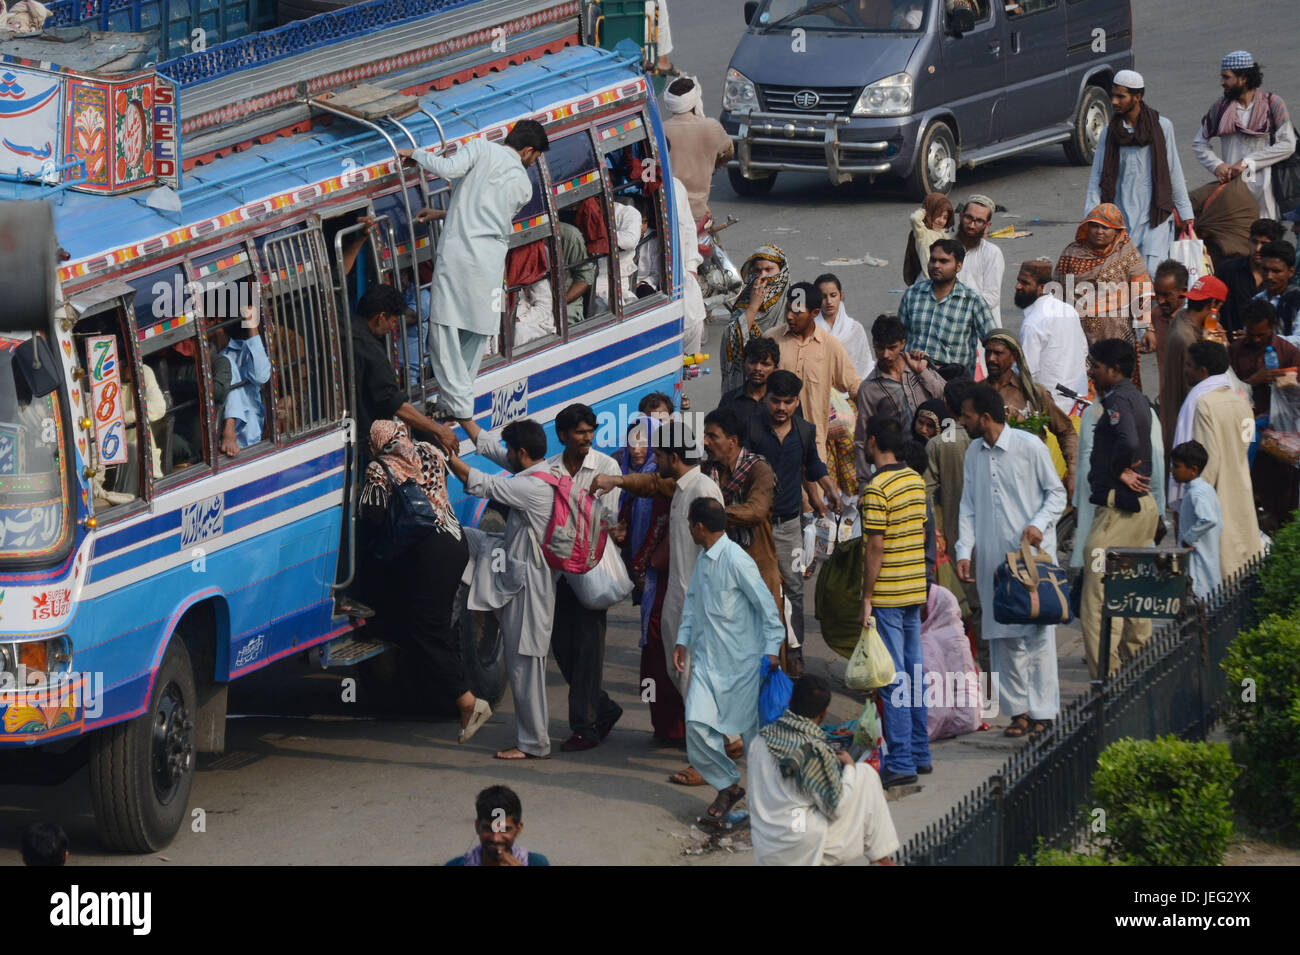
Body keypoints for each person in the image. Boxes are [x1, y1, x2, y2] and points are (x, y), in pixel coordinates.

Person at [397, 120, 549, 421]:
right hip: (490, 262)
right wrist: (444, 213)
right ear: (528, 150)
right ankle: (457, 398)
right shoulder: (523, 187)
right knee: (477, 331)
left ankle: (458, 402)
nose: (535, 161)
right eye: (537, 156)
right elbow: (487, 214)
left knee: (443, 325)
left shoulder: (481, 148)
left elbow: (448, 169)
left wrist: (417, 154)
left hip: (459, 256)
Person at [359, 420, 490, 743]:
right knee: (433, 624)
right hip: (454, 542)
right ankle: (444, 691)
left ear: (377, 442)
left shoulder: (380, 467)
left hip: (427, 553)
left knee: (427, 630)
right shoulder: (430, 450)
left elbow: (373, 518)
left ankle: (468, 702)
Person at [955, 384, 1066, 738]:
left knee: (1036, 634)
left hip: (1029, 559)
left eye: (966, 416)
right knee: (1002, 636)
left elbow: (1057, 492)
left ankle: (1044, 712)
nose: (962, 421)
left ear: (985, 418)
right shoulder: (973, 452)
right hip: (991, 558)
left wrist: (1037, 523)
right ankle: (1018, 711)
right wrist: (963, 551)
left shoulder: (1029, 446)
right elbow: (968, 505)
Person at [593, 422, 724, 718]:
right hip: (679, 595)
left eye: (660, 456)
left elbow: (715, 551)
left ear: (674, 457)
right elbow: (651, 485)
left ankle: (716, 745)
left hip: (696, 598)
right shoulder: (682, 488)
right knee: (677, 669)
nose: (656, 461)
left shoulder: (702, 490)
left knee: (692, 673)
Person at [448, 417, 558, 760]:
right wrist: (464, 420)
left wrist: (440, 455)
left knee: (524, 664)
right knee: (466, 535)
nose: (506, 455)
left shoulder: (532, 488)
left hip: (529, 584)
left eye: (511, 450)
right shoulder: (543, 470)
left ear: (522, 452)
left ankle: (534, 743)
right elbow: (493, 452)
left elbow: (480, 482)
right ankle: (532, 739)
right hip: (514, 567)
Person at [674, 497, 786, 828]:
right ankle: (727, 785)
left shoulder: (737, 561)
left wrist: (771, 650)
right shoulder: (704, 560)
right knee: (696, 726)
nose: (690, 530)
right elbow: (693, 602)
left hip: (744, 668)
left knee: (755, 746)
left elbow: (769, 608)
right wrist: (683, 640)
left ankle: (769, 810)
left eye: (690, 525)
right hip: (708, 665)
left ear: (699, 527)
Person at [744, 370, 841, 675]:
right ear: (766, 399)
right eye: (776, 401)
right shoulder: (751, 430)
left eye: (788, 402)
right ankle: (758, 651)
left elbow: (812, 464)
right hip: (756, 528)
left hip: (789, 526)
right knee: (757, 589)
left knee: (794, 590)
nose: (782, 408)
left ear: (797, 402)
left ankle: (795, 650)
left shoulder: (805, 431)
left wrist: (827, 490)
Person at [749, 675, 900, 866]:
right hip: (801, 844)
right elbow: (836, 808)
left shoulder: (760, 740)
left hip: (766, 845)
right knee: (863, 774)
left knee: (862, 776)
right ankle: (881, 858)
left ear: (790, 702)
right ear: (824, 712)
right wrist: (850, 770)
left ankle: (881, 858)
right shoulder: (813, 750)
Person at [547, 404, 624, 753]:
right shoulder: (549, 471)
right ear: (563, 435)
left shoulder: (607, 468)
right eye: (580, 432)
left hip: (592, 573)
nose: (587, 438)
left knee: (589, 653)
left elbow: (608, 518)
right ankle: (604, 708)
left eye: (590, 432)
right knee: (563, 650)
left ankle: (585, 727)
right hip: (559, 576)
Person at [859, 415, 931, 788]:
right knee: (914, 673)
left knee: (893, 679)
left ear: (873, 442)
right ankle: (920, 752)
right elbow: (919, 533)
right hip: (915, 590)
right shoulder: (915, 481)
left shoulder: (876, 488)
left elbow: (875, 545)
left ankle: (901, 760)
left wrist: (867, 597)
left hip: (888, 594)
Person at [1079, 338, 1158, 679]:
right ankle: (1136, 665)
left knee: (1097, 602)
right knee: (1133, 590)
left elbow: (1127, 441)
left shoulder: (1118, 400)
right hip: (1140, 509)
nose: (1090, 373)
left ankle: (1106, 679)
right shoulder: (1135, 396)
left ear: (1114, 370)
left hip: (1118, 512)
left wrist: (1117, 471)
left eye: (1095, 366)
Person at [614, 416, 686, 745]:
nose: (647, 454)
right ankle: (664, 727)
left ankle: (681, 731)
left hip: (671, 580)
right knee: (654, 656)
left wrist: (648, 563)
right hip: (655, 580)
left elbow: (668, 530)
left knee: (668, 655)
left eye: (656, 451)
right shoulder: (652, 479)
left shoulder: (680, 487)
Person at [1086, 70, 1195, 273]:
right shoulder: (1110, 133)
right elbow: (1097, 179)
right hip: (1121, 217)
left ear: (1137, 97)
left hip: (1156, 216)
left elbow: (1173, 170)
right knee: (1125, 277)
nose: (1114, 102)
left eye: (1121, 96)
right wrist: (1091, 217)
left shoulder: (1162, 127)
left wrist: (1185, 211)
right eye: (1113, 96)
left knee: (1154, 273)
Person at [1175, 341, 1262, 578]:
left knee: (1217, 570)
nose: (1185, 370)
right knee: (1241, 559)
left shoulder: (1204, 403)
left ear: (1202, 371)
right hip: (1241, 483)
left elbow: (1207, 459)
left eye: (1189, 365)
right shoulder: (1242, 400)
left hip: (1217, 491)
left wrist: (1195, 498)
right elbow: (1246, 442)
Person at [1053, 203, 1154, 382]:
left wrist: (1148, 328)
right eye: (1095, 226)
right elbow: (1057, 291)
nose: (1099, 231)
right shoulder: (1072, 253)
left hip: (1117, 331)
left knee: (1117, 378)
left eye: (1106, 227)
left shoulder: (1127, 254)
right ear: (1086, 227)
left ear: (1117, 231)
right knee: (1083, 381)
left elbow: (1142, 291)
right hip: (1080, 331)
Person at [765, 282, 861, 466]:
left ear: (814, 313)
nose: (789, 317)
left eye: (797, 312)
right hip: (773, 444)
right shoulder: (771, 340)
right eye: (787, 310)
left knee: (814, 495)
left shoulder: (830, 346)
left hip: (813, 448)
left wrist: (864, 427)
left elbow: (855, 387)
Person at [1193, 52, 1296, 219]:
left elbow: (1288, 144)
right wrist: (1217, 165)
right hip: (1234, 188)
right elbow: (1199, 143)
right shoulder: (1220, 108)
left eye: (1226, 77)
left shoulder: (1272, 104)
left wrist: (1248, 162)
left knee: (1266, 238)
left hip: (1266, 188)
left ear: (1243, 78)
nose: (1222, 83)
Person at [701, 408, 781, 616]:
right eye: (705, 435)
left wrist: (712, 515)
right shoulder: (707, 471)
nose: (705, 442)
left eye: (712, 436)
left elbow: (756, 510)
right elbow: (664, 484)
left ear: (733, 441)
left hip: (756, 569)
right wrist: (620, 480)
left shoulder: (759, 470)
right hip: (721, 571)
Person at [981, 329, 1078, 498]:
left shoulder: (1033, 393)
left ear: (1014, 357)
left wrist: (1073, 472)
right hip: (989, 484)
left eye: (998, 353)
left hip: (1031, 484)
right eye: (988, 352)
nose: (991, 358)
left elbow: (1066, 431)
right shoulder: (977, 394)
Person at [855, 314, 946, 485]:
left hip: (936, 456)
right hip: (901, 467)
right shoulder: (869, 388)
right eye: (880, 348)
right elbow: (862, 438)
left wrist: (922, 372)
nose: (885, 354)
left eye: (892, 347)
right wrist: (864, 483)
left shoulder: (919, 365)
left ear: (903, 343)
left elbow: (945, 396)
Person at [897, 238, 997, 373]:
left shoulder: (973, 301)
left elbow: (994, 341)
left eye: (944, 261)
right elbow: (898, 338)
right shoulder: (912, 294)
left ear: (958, 266)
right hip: (913, 377)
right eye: (933, 260)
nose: (936, 265)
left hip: (953, 382)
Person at [1159, 275, 1228, 457]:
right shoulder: (1188, 339)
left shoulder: (1182, 317)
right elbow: (1200, 383)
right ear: (1213, 304)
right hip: (1185, 411)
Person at [1016, 260, 1088, 412]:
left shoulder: (1033, 323)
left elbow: (1027, 372)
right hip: (1078, 403)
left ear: (1042, 288)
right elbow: (1084, 350)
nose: (1018, 286)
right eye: (1018, 281)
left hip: (1052, 410)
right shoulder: (1068, 310)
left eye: (1025, 283)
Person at [661, 76, 734, 222]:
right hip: (697, 213)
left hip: (666, 212)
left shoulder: (660, 130)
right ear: (696, 102)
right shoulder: (712, 127)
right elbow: (728, 152)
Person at [722, 245, 791, 392]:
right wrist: (753, 306)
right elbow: (731, 337)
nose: (762, 276)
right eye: (758, 271)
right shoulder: (746, 299)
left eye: (768, 270)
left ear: (782, 270)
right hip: (753, 377)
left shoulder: (792, 298)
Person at [445, 785, 550, 866]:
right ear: (477, 827)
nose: (496, 838)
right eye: (488, 829)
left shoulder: (535, 862)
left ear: (518, 829)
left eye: (504, 829)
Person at [1228, 299, 1300, 417]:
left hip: (1280, 423)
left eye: (1261, 335)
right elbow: (1228, 394)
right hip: (1243, 419)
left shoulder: (1288, 352)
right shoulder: (1235, 351)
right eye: (1251, 334)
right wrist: (1253, 381)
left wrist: (1284, 380)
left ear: (1273, 326)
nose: (1256, 339)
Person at [218, 302, 272, 457]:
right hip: (235, 444)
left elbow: (261, 375)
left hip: (257, 433)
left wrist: (252, 328)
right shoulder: (223, 357)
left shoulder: (251, 347)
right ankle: (230, 430)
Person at [1171, 441, 1223, 599]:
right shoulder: (1204, 490)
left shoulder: (1198, 493)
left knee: (1201, 593)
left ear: (1193, 469)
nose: (1172, 471)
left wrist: (1188, 538)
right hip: (1205, 551)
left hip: (1198, 555)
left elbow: (1209, 519)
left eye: (1177, 466)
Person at [1219, 219, 1287, 334]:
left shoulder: (1283, 280)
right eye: (1255, 242)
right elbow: (1213, 305)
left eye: (1264, 244)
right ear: (1248, 241)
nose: (1258, 249)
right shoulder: (1228, 270)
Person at [953, 194, 1005, 322]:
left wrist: (958, 310)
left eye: (979, 221)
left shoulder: (992, 253)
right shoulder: (945, 247)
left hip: (981, 328)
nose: (971, 225)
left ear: (987, 225)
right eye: (968, 218)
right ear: (960, 216)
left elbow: (992, 297)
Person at [814, 273, 874, 378]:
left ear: (841, 296)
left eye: (833, 295)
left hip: (852, 388)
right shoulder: (809, 329)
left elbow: (865, 365)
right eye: (823, 297)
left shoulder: (855, 329)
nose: (829, 301)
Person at [716, 336, 781, 425]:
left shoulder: (783, 402)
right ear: (743, 365)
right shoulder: (729, 401)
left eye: (765, 364)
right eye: (752, 362)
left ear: (775, 369)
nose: (758, 368)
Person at [904, 192, 954, 286]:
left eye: (945, 217)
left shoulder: (943, 235)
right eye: (937, 215)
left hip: (941, 281)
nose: (941, 220)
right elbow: (915, 219)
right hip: (926, 282)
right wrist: (924, 210)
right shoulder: (923, 234)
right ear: (929, 213)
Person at [1253, 241, 1300, 337]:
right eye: (1265, 270)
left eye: (1276, 271)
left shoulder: (1297, 300)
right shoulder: (1257, 299)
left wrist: (1266, 338)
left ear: (1290, 272)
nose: (1269, 276)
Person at [557, 220, 596, 326]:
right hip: (530, 307)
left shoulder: (569, 235)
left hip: (565, 305)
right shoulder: (519, 239)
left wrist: (559, 304)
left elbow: (584, 279)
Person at [1151, 259, 1190, 360]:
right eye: (1157, 293)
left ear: (1183, 291)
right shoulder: (1156, 314)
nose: (1160, 301)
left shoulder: (1195, 320)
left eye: (1166, 295)